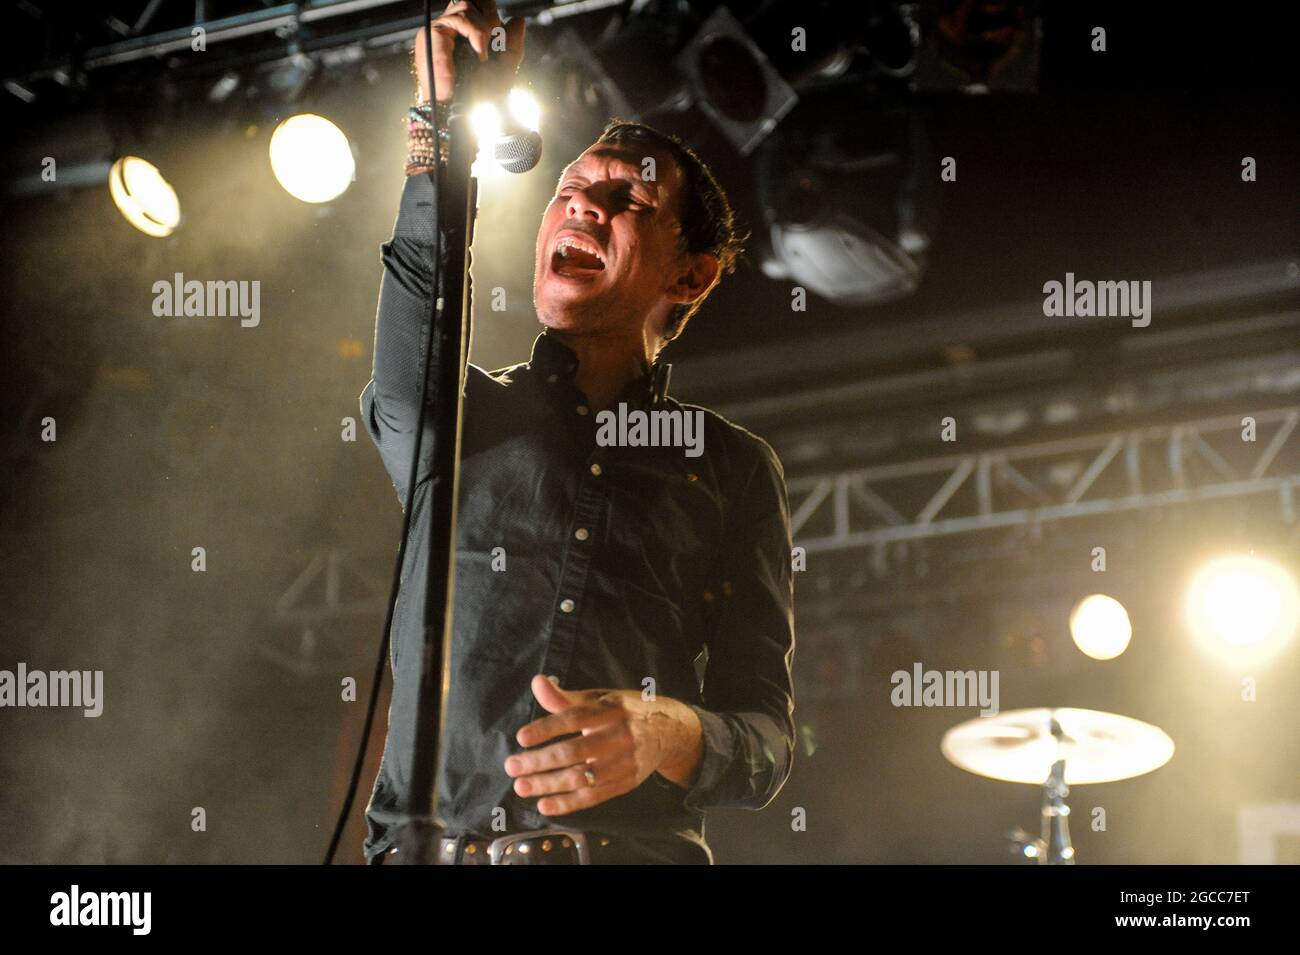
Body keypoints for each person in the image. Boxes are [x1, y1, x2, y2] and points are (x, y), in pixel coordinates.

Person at [360, 0, 795, 865]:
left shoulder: (733, 468)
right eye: (567, 191)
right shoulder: (457, 414)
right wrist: (439, 126)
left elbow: (768, 742)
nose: (581, 207)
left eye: (623, 196)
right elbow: (418, 307)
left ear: (692, 273)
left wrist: (668, 728)